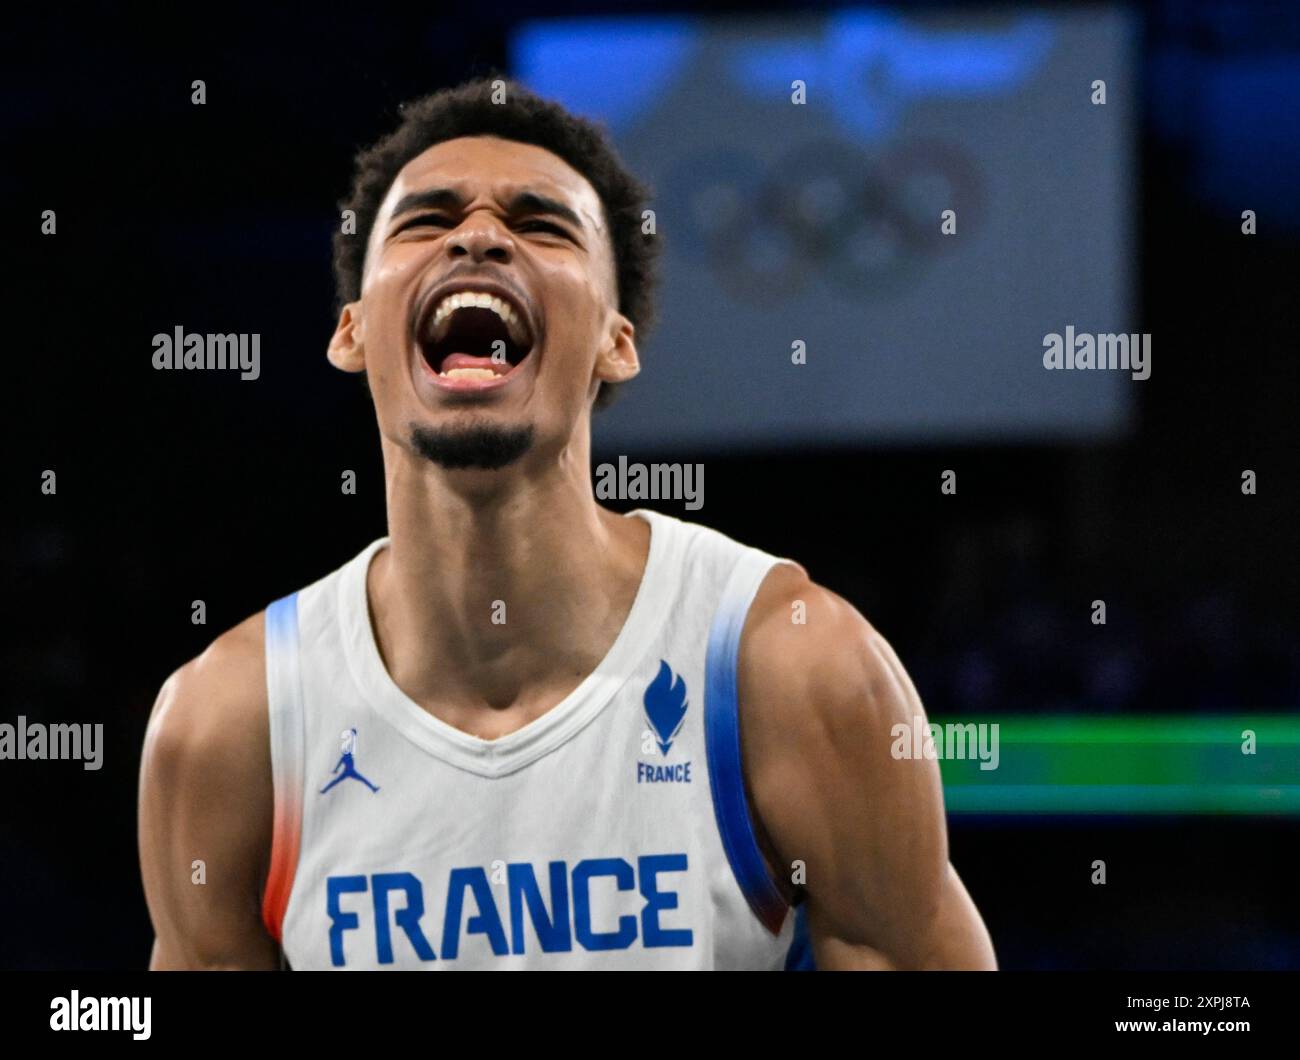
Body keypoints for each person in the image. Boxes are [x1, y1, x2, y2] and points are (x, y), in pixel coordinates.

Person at [138, 77, 995, 970]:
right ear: (352, 331)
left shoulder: (787, 670)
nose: (476, 236)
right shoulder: (230, 727)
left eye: (541, 224)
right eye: (426, 220)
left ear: (614, 342)